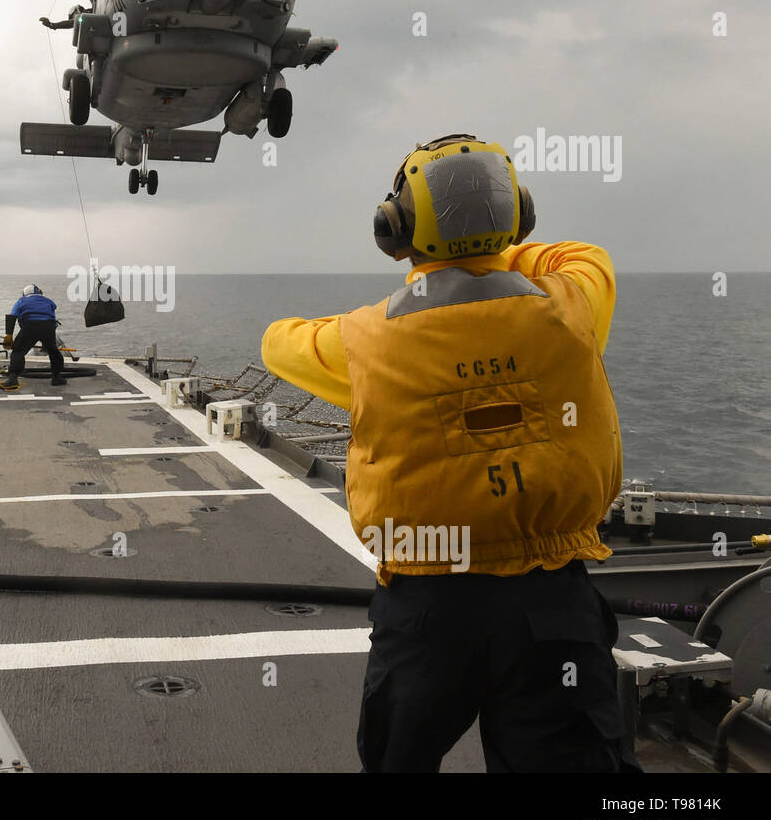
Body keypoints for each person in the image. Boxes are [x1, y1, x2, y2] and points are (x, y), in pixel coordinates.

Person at [261, 133, 636, 773]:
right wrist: (492, 249)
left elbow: (277, 342)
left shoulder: (365, 342)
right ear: (520, 210)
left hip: (427, 607)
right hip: (552, 605)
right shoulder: (574, 306)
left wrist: (434, 266)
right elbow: (582, 255)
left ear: (394, 229)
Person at [0, 284, 65, 391]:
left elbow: (12, 316)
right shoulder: (48, 301)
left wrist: (9, 335)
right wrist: (46, 343)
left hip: (30, 326)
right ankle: (57, 378)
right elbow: (53, 320)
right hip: (48, 326)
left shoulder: (21, 301)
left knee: (18, 352)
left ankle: (13, 379)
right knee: (53, 351)